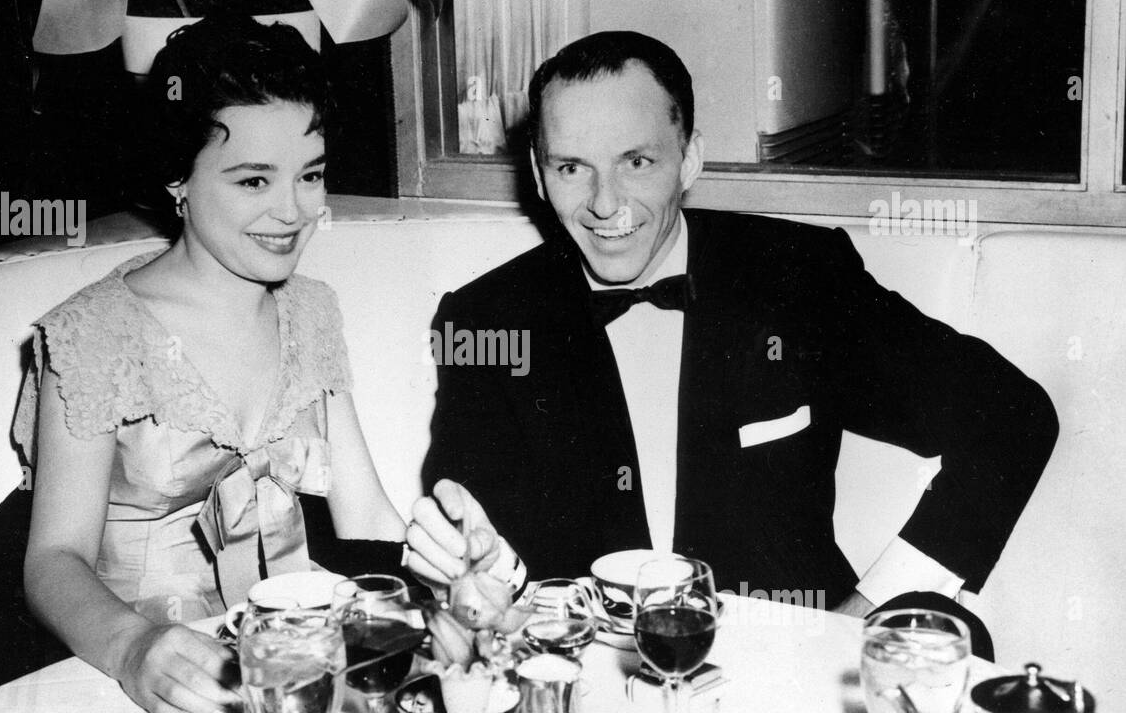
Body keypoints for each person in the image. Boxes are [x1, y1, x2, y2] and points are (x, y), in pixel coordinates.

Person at [405, 31, 1058, 631]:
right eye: (572, 167)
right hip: (589, 691)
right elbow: (468, 554)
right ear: (539, 174)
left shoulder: (796, 279)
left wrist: (867, 616)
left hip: (786, 682)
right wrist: (472, 594)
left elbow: (1012, 419)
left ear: (690, 159)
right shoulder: (488, 322)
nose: (605, 204)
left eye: (636, 162)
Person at [14, 15, 405, 713]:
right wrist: (135, 649)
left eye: (310, 176)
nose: (293, 212)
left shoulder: (312, 309)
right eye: (254, 179)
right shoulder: (92, 335)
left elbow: (367, 513)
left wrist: (445, 582)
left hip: (288, 670)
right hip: (132, 679)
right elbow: (52, 559)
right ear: (178, 180)